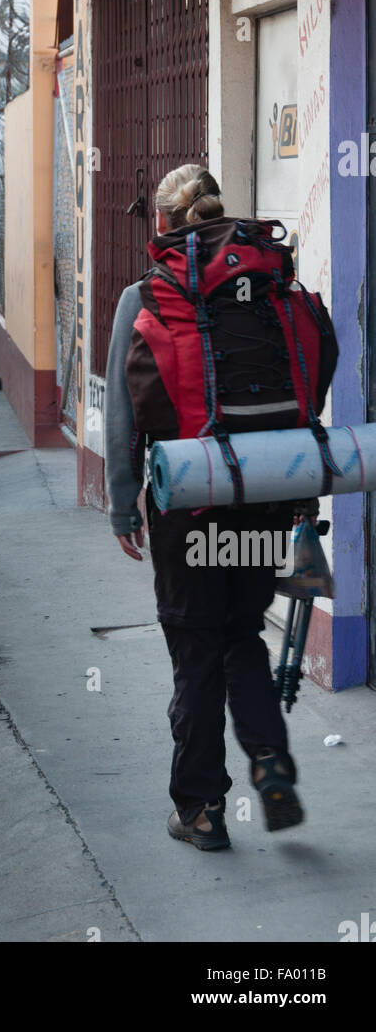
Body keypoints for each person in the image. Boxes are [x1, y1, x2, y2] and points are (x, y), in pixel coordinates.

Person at [104, 164, 338, 851]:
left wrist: (123, 508)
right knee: (240, 635)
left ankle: (201, 809)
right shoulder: (271, 289)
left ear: (166, 226)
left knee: (194, 646)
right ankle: (270, 760)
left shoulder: (145, 293)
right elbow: (311, 379)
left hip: (189, 503)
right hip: (262, 497)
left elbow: (121, 418)